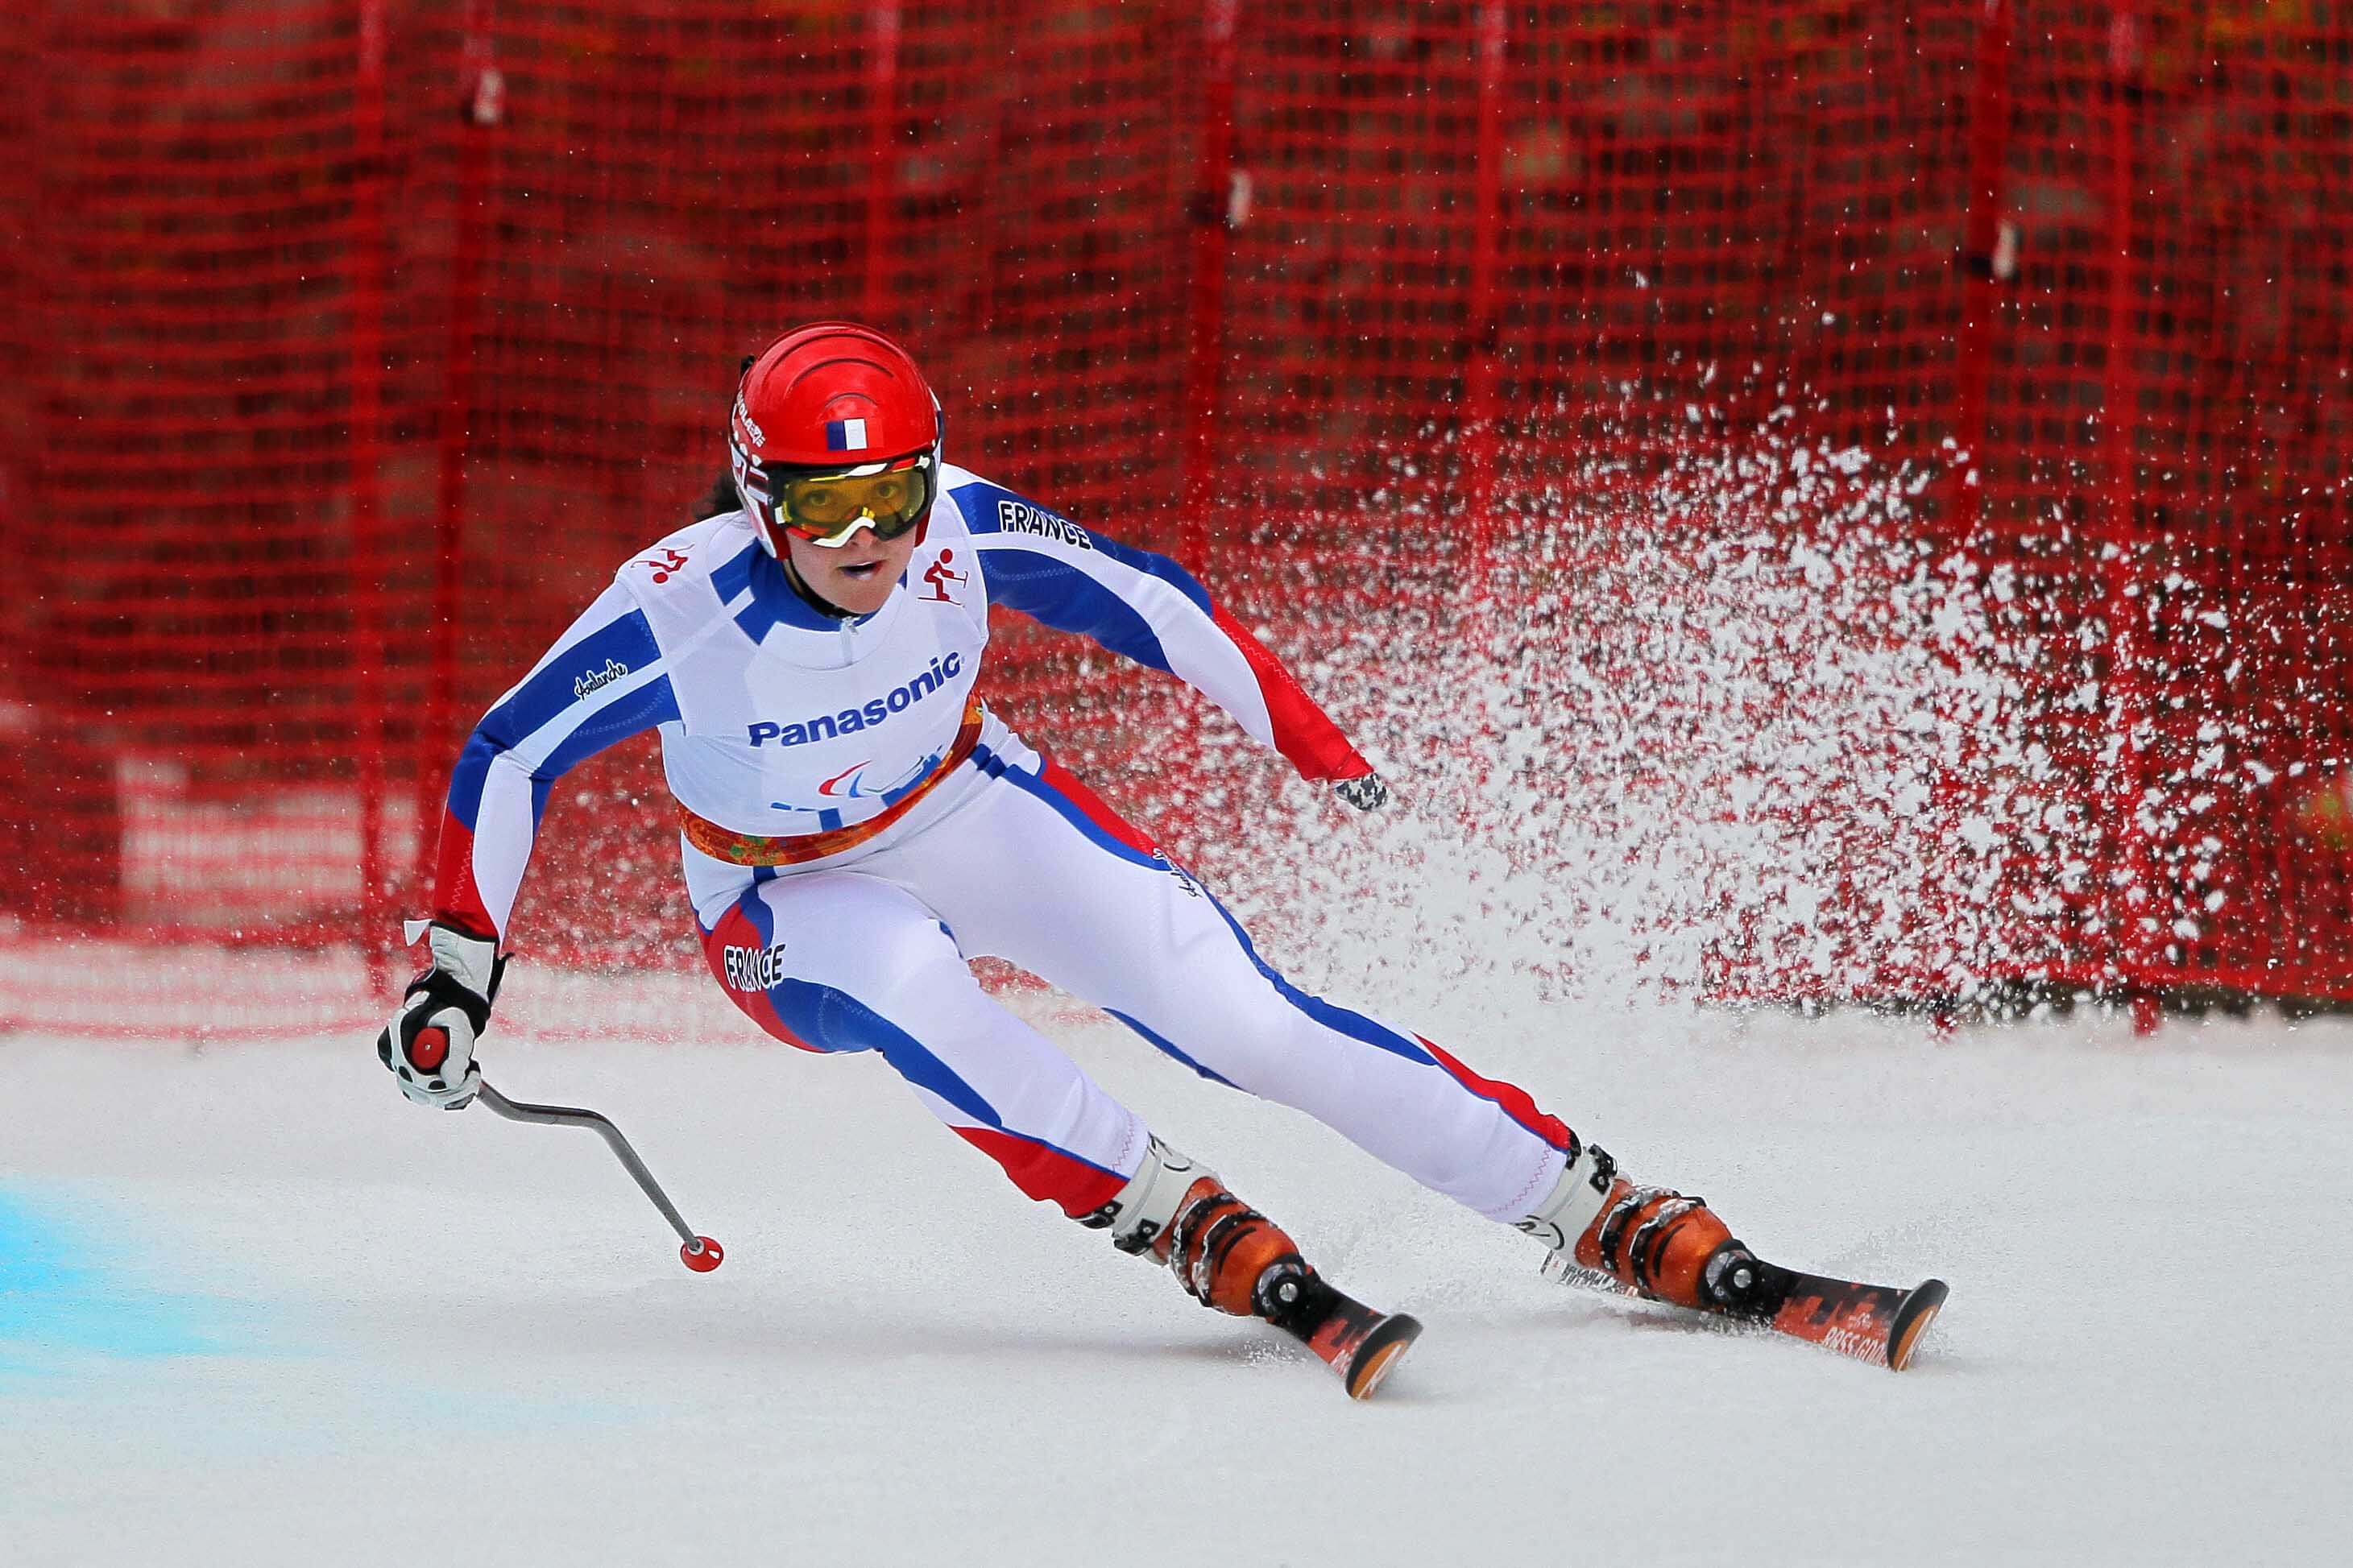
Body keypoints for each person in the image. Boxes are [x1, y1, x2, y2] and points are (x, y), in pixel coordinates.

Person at [378, 322, 1937, 1396]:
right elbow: (509, 754)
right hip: (784, 894)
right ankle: (1179, 1213)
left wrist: (1319, 747)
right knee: (918, 983)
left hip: (967, 797)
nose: (875, 535)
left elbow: (1150, 599)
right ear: (757, 492)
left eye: (898, 490)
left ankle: (1601, 1209)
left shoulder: (959, 530)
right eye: (830, 501)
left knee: (1249, 1018)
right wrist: (461, 961)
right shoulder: (681, 602)